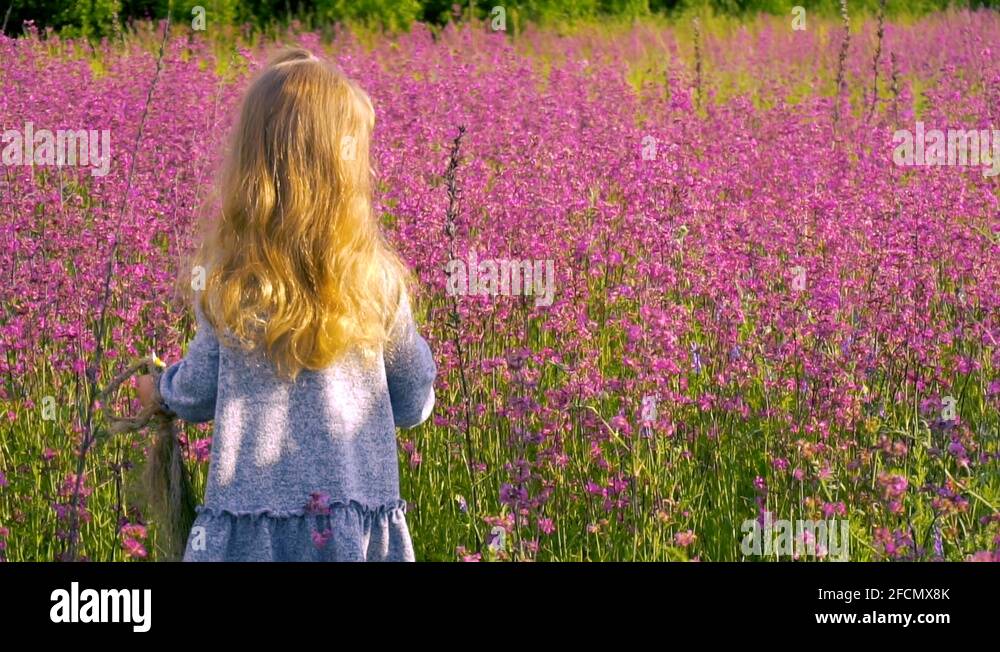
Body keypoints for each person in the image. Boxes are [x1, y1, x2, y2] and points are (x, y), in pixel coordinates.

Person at [135, 47, 436, 562]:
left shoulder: (230, 284)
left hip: (251, 540)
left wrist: (159, 389)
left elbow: (196, 393)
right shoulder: (378, 284)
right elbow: (413, 403)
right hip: (351, 539)